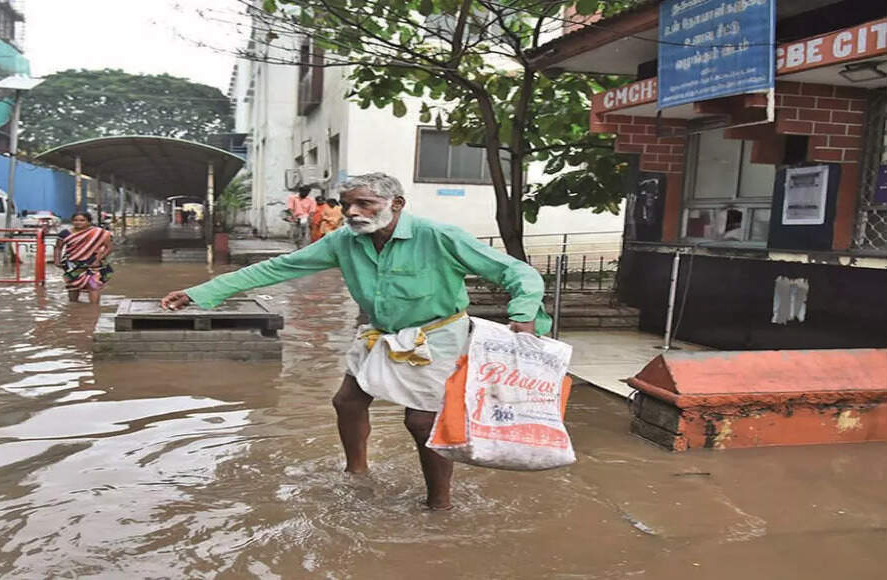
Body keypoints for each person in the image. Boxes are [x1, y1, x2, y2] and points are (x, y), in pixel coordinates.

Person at [160, 173, 550, 510]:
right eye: (348, 205)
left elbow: (518, 273)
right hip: (381, 332)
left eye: (364, 203)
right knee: (346, 401)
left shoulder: (439, 236)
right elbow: (279, 267)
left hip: (438, 335)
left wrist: (523, 315)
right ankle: (357, 473)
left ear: (396, 204)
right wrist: (204, 291)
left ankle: (439, 504)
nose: (352, 213)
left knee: (420, 421)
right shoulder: (344, 240)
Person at [54, 211, 114, 304]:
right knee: (73, 286)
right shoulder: (65, 233)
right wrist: (57, 261)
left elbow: (109, 247)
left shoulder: (99, 233)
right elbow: (58, 248)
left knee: (94, 286)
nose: (78, 222)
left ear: (89, 222)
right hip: (72, 265)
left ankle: (94, 310)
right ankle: (73, 308)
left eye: (82, 220)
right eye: (75, 220)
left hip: (93, 264)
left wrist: (99, 259)